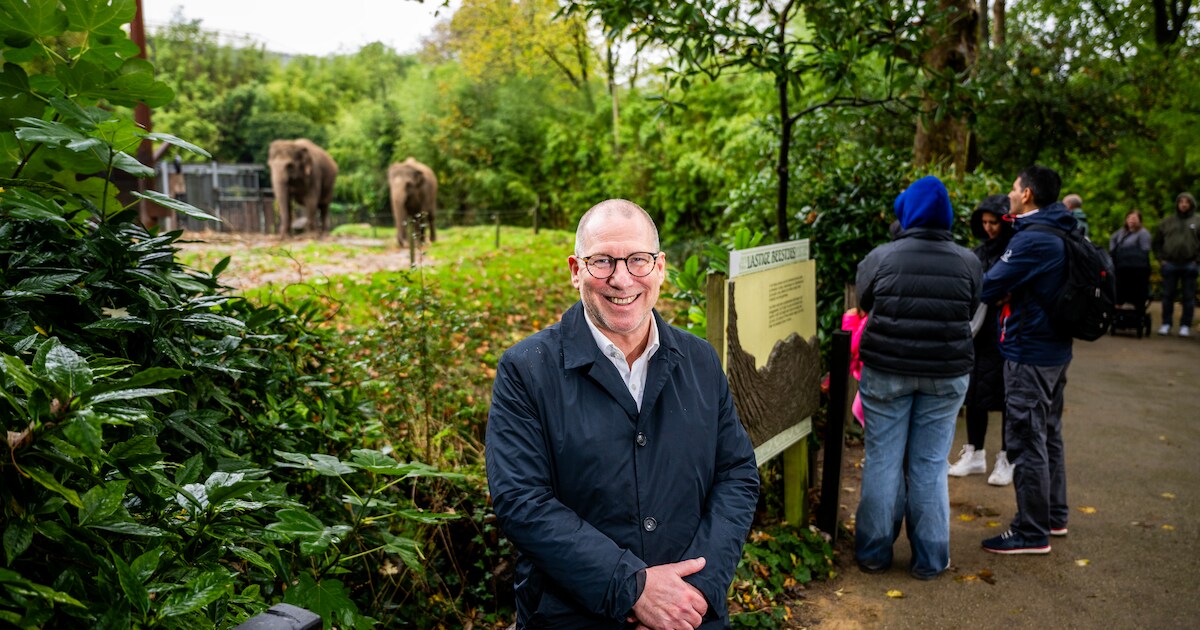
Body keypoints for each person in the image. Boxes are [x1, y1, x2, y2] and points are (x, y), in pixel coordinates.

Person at [485, 199, 760, 629]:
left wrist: (697, 589)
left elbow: (737, 472)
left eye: (637, 260)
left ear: (660, 267)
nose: (621, 278)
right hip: (573, 617)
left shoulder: (700, 360)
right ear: (576, 269)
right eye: (602, 261)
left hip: (691, 616)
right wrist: (632, 588)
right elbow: (522, 503)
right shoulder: (526, 370)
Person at [853, 175, 982, 579]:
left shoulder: (882, 257)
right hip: (946, 374)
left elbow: (864, 300)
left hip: (886, 371)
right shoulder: (968, 260)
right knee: (929, 464)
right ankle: (929, 558)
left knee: (882, 461)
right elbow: (971, 304)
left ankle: (874, 553)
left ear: (906, 213)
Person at [978, 165, 1075, 555]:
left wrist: (1005, 286)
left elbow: (989, 284)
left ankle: (1031, 531)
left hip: (1029, 352)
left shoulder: (1033, 238)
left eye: (1014, 188)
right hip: (1055, 350)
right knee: (1049, 433)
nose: (1010, 194)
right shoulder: (1064, 228)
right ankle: (1054, 515)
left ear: (1028, 194)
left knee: (1027, 439)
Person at [948, 194, 1015, 486]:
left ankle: (1007, 457)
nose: (989, 228)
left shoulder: (1015, 250)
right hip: (978, 334)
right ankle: (974, 453)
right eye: (984, 222)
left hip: (1006, 334)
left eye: (994, 222)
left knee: (1008, 398)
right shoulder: (977, 253)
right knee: (975, 396)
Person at [1151, 192, 1199, 337]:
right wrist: (1161, 260)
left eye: (1186, 202)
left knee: (1188, 297)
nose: (1183, 204)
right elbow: (1157, 242)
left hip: (1189, 264)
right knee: (1168, 296)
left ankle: (1185, 325)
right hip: (1170, 264)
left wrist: (1197, 261)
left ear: (1191, 204)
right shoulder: (1167, 221)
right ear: (1177, 204)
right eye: (1181, 202)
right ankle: (1166, 324)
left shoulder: (1197, 221)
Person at [1109, 209, 1152, 308]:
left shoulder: (1143, 233)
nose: (1131, 220)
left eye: (1134, 218)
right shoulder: (1122, 232)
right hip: (1121, 267)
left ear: (1140, 220)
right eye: (1129, 217)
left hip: (1136, 269)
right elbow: (1113, 240)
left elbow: (1145, 250)